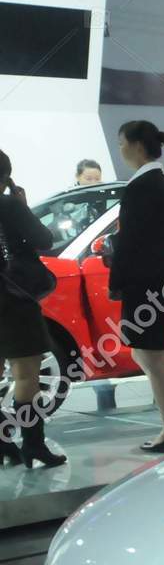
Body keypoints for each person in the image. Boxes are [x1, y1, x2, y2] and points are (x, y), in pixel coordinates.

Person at [112, 120, 164, 453]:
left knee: (151, 354)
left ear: (137, 145)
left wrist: (117, 281)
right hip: (155, 278)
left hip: (147, 281)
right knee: (146, 352)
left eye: (122, 143)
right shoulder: (156, 182)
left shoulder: (145, 185)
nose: (120, 149)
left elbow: (130, 242)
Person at [0, 150, 67, 468]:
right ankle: (33, 445)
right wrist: (22, 205)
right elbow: (44, 239)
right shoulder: (10, 205)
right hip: (13, 300)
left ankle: (2, 445)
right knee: (27, 376)